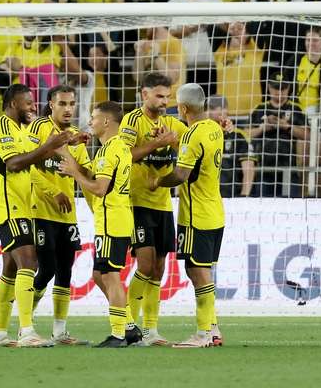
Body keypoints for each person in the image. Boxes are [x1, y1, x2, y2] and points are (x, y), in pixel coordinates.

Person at [0, 83, 73, 348]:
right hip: (9, 205)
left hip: (23, 206)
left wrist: (61, 143)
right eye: (28, 103)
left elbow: (32, 161)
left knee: (10, 270)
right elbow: (13, 164)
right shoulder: (1, 126)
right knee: (29, 263)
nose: (33, 107)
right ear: (13, 104)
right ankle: (27, 331)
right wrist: (49, 143)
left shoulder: (20, 131)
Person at [55, 101, 132, 347]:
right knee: (100, 275)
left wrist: (74, 174)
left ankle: (120, 334)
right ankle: (128, 326)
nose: (90, 122)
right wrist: (67, 155)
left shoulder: (109, 151)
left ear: (107, 122)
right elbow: (94, 177)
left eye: (94, 117)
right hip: (116, 218)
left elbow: (99, 188)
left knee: (110, 275)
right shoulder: (118, 147)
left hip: (112, 219)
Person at [154, 82, 225, 348]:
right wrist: (176, 144)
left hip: (196, 216)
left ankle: (203, 332)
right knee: (202, 270)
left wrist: (157, 182)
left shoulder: (193, 135)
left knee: (197, 272)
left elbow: (181, 175)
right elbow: (197, 163)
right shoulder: (214, 129)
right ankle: (214, 329)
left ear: (182, 108)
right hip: (215, 212)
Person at [118, 72, 186, 346]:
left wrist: (220, 125)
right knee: (144, 265)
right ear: (144, 94)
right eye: (159, 96)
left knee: (158, 269)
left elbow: (194, 136)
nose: (164, 102)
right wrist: (156, 144)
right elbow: (122, 155)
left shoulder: (171, 123)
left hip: (162, 204)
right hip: (137, 202)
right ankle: (128, 326)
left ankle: (150, 330)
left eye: (167, 97)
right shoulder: (133, 121)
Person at [28, 84, 92, 345]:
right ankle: (25, 321)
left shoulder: (76, 136)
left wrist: (78, 166)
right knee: (47, 268)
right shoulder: (39, 128)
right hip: (41, 210)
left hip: (67, 215)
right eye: (62, 104)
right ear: (51, 105)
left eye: (71, 104)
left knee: (65, 269)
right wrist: (53, 192)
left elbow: (86, 173)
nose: (68, 109)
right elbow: (28, 166)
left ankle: (59, 331)